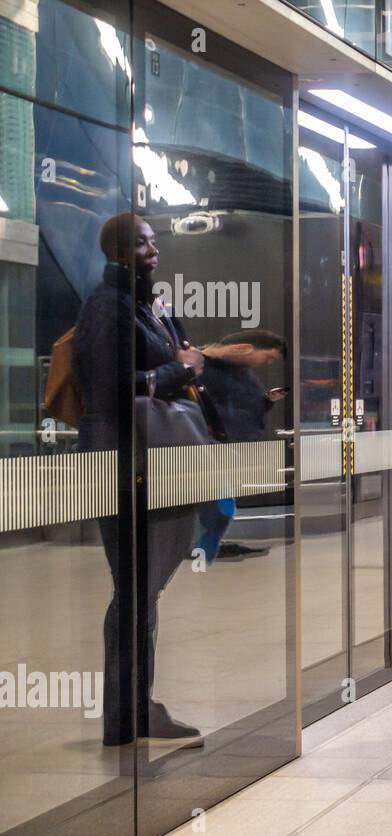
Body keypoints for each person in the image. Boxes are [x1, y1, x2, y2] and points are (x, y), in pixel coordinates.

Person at [74, 213, 211, 748]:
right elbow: (110, 389)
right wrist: (178, 373)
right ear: (119, 251)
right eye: (142, 243)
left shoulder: (142, 305)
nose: (154, 250)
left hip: (143, 461)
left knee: (140, 590)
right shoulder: (106, 309)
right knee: (134, 590)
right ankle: (126, 714)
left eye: (154, 242)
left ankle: (134, 708)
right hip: (120, 465)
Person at [194, 330, 289, 561]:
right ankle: (203, 549)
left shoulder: (237, 373)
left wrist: (266, 401)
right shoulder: (200, 367)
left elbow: (240, 408)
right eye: (267, 357)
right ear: (244, 348)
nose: (266, 364)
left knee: (221, 503)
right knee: (215, 504)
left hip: (229, 450)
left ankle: (210, 546)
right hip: (211, 449)